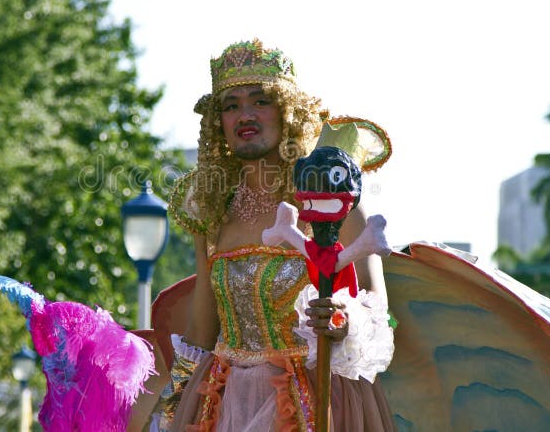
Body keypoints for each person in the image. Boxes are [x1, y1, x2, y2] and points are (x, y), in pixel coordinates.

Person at [152, 38, 395, 431]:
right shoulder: (212, 209)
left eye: (260, 100)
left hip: (317, 402)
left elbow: (377, 309)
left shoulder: (331, 196)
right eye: (231, 105)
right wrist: (171, 406)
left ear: (288, 112)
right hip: (225, 403)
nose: (244, 114)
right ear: (219, 123)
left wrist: (341, 322)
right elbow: (203, 327)